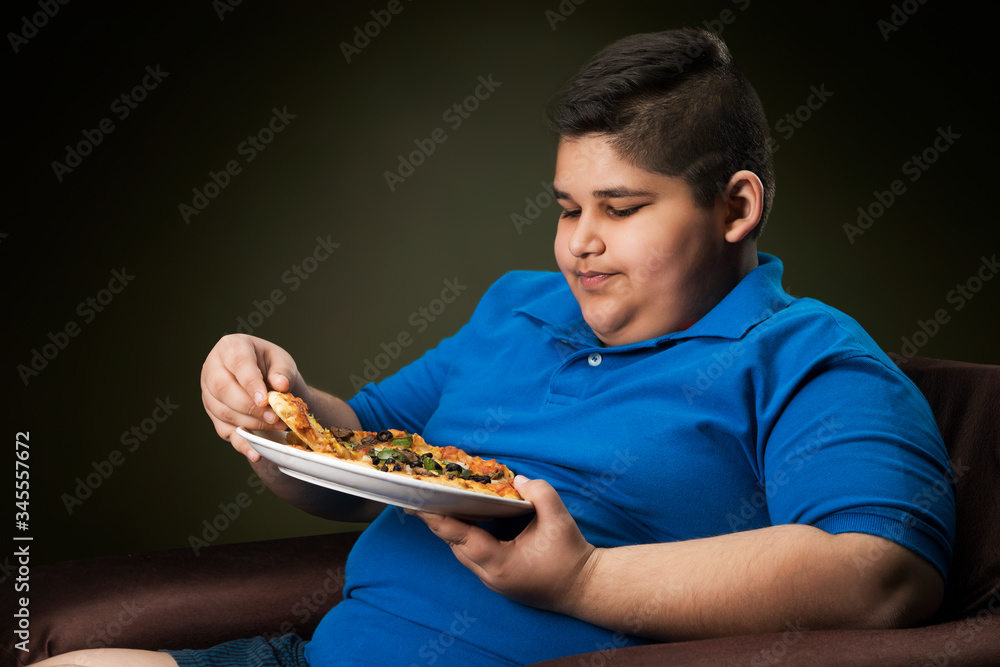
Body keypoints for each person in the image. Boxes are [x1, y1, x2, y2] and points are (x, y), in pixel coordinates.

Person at [34, 28, 955, 667]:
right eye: (566, 208)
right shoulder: (518, 308)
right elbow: (351, 453)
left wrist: (585, 578)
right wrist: (275, 402)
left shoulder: (808, 356)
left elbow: (880, 575)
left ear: (736, 207)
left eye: (620, 210)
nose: (577, 243)